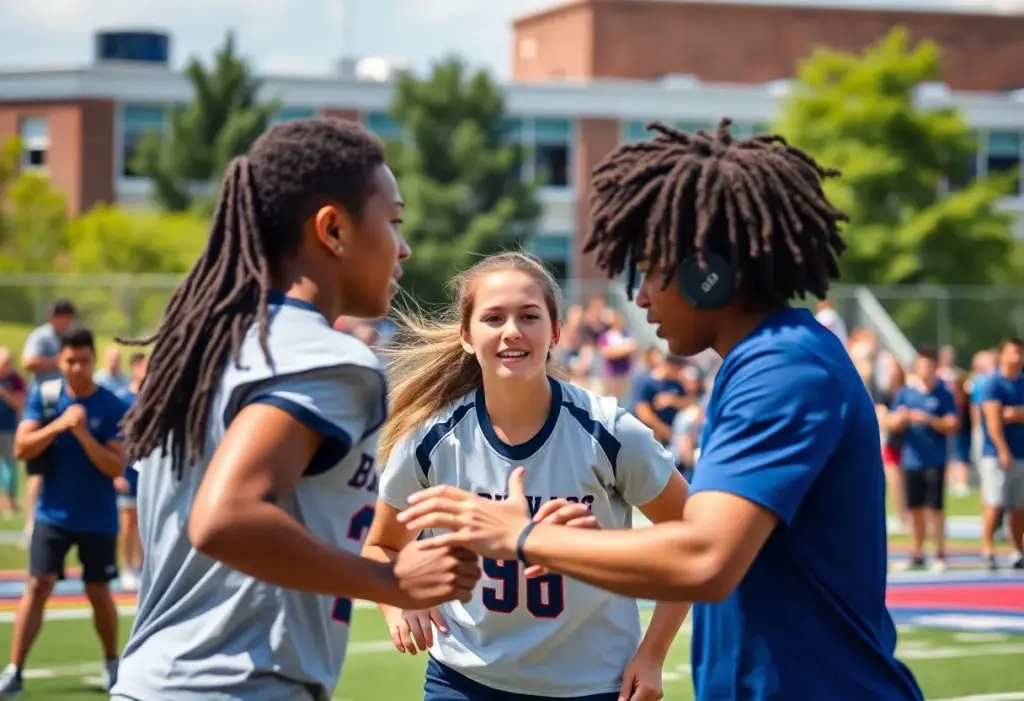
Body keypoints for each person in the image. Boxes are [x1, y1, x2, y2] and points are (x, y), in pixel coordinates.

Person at [395, 119, 925, 701]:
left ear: (707, 272)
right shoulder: (764, 361)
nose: (641, 295)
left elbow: (702, 556)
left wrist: (524, 538)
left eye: (647, 269)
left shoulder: (783, 369)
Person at [108, 118, 481, 701]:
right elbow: (225, 516)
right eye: (394, 221)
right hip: (242, 684)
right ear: (332, 229)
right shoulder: (326, 358)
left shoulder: (205, 350)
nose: (403, 246)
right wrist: (390, 581)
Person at [364, 251, 691, 701]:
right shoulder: (432, 440)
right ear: (466, 335)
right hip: (463, 681)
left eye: (529, 316)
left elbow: (691, 535)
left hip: (592, 685)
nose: (511, 330)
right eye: (493, 317)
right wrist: (395, 598)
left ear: (556, 332)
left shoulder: (610, 433)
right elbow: (381, 545)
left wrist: (653, 653)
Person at [0, 327, 129, 697]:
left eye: (84, 361)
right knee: (37, 586)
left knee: (99, 590)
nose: (76, 368)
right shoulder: (44, 397)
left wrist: (85, 435)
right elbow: (22, 448)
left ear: (93, 359)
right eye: (69, 361)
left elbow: (116, 468)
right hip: (51, 515)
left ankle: (111, 663)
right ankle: (15, 670)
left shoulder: (113, 405)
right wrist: (59, 425)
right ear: (60, 360)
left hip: (97, 516)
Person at [885, 349, 958, 572]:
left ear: (935, 368)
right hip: (911, 459)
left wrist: (929, 420)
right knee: (914, 508)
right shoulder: (906, 393)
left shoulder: (943, 394)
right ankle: (916, 553)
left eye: (929, 365)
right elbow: (891, 423)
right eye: (922, 365)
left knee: (934, 508)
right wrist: (901, 418)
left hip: (934, 459)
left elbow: (953, 424)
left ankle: (940, 553)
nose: (925, 370)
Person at [19, 299, 77, 545]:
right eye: (57, 315)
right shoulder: (42, 336)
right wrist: (58, 362)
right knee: (38, 467)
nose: (61, 320)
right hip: (43, 407)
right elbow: (28, 361)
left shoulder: (73, 337)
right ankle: (31, 521)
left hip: (67, 404)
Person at [977, 338, 1024, 570]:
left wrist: (1015, 414)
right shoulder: (993, 384)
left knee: (1018, 506)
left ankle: (1017, 549)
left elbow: (1010, 415)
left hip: (1021, 453)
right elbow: (993, 420)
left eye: (1019, 352)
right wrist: (1003, 450)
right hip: (997, 455)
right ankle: (987, 549)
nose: (1016, 356)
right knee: (994, 502)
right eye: (1012, 352)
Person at [113, 352, 148, 590]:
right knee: (128, 521)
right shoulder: (121, 398)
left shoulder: (157, 397)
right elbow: (114, 438)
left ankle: (145, 567)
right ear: (135, 367)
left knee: (148, 522)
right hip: (128, 468)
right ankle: (126, 567)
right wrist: (116, 472)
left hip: (150, 469)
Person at [0, 348, 26, 516]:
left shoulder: (16, 381)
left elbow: (20, 403)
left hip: (8, 429)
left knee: (9, 465)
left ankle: (10, 500)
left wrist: (5, 395)